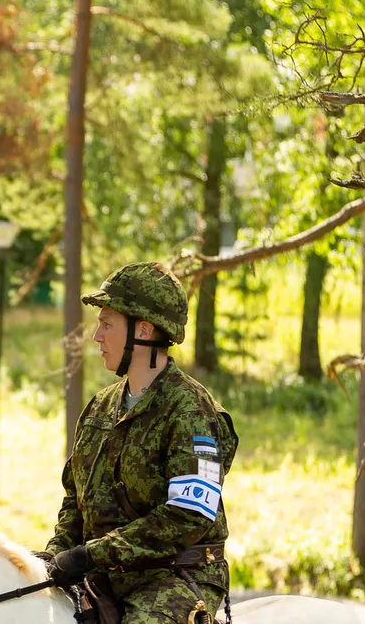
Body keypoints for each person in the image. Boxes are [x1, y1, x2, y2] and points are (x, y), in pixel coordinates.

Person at [39, 262, 238, 624]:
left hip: (171, 578)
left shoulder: (192, 411)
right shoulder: (100, 407)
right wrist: (54, 556)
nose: (97, 336)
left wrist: (92, 555)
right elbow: (75, 501)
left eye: (107, 324)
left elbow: (188, 516)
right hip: (100, 575)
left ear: (143, 329)